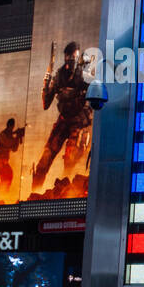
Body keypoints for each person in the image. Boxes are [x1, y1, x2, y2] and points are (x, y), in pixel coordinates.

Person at [31, 41, 92, 189]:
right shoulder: (59, 76)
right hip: (64, 119)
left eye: (74, 56)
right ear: (65, 57)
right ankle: (35, 189)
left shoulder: (83, 74)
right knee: (46, 157)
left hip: (79, 121)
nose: (71, 59)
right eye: (69, 56)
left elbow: (94, 95)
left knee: (70, 159)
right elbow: (46, 103)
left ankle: (66, 193)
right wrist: (46, 84)